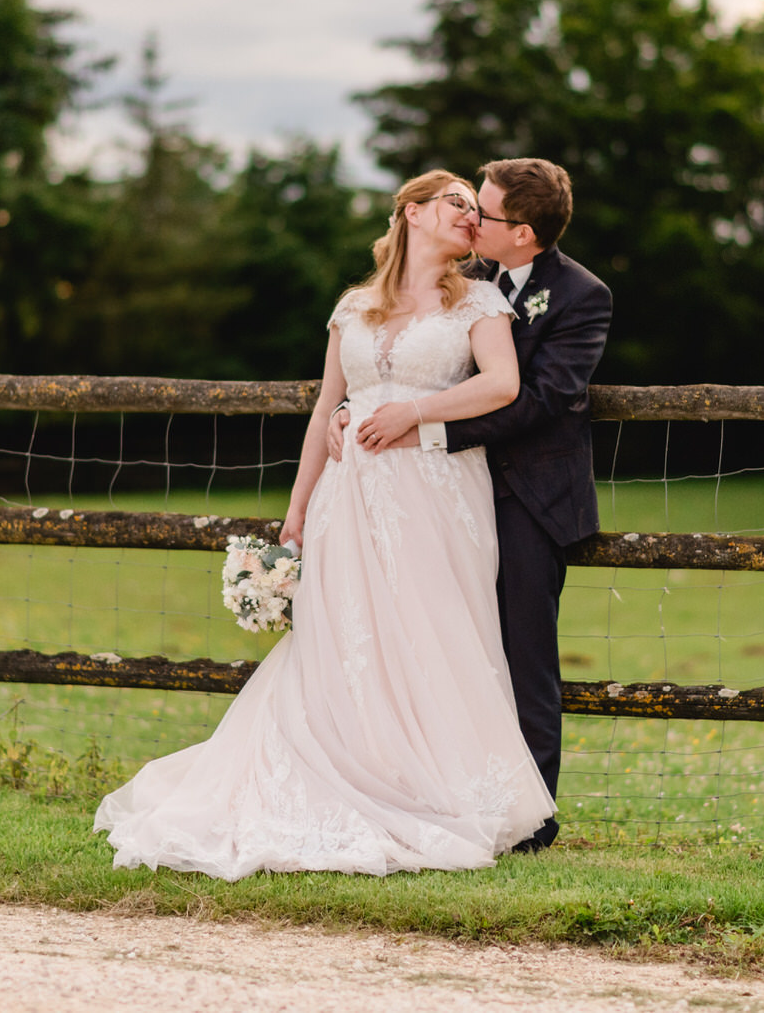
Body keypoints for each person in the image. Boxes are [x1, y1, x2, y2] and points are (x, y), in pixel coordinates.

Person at [94, 170, 555, 879]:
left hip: (437, 494)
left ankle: (428, 789)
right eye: (456, 203)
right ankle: (337, 770)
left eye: (476, 206)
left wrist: (416, 412)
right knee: (342, 633)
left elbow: (502, 385)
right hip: (350, 492)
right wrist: (299, 510)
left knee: (428, 630)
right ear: (412, 211)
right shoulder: (354, 307)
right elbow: (324, 409)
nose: (471, 216)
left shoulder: (480, 301)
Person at [332, 158, 611, 853]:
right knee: (433, 641)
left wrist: (425, 427)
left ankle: (531, 822)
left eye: (483, 214)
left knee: (520, 656)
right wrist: (354, 409)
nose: (470, 220)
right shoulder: (469, 277)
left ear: (522, 233)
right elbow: (404, 352)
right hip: (438, 491)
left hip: (528, 497)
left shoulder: (581, 295)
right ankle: (423, 787)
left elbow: (539, 398)